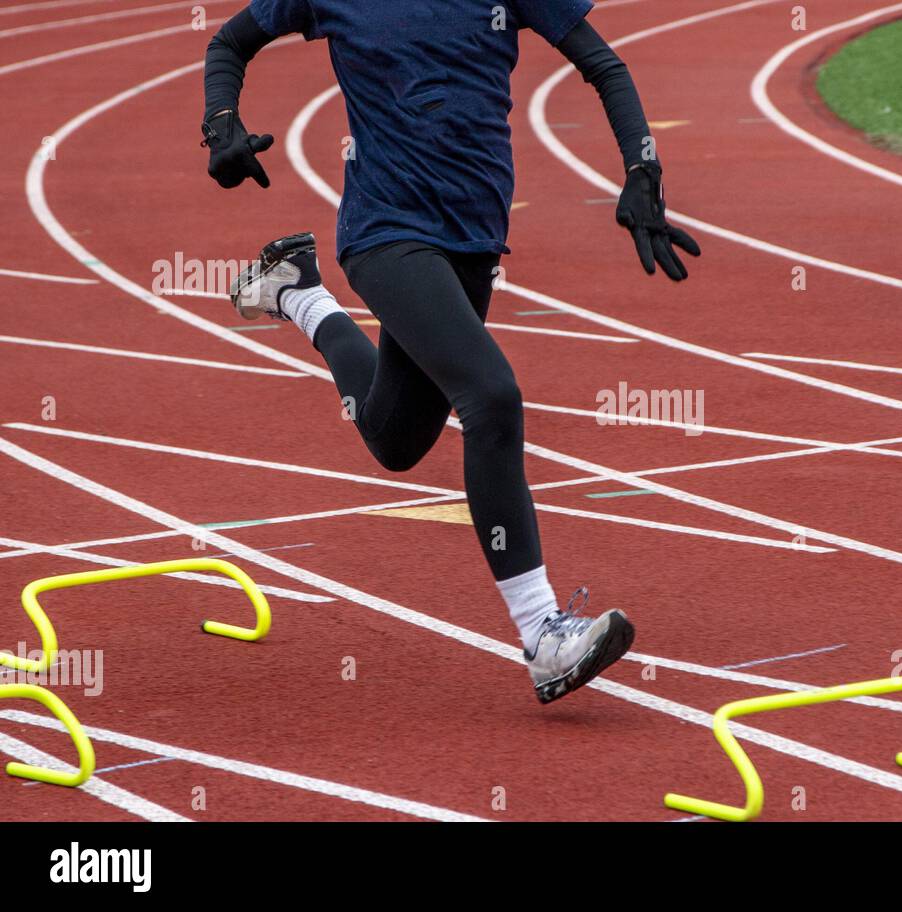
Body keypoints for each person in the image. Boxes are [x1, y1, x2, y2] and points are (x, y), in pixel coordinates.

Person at [201, 0, 700, 703]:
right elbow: (229, 43)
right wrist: (219, 123)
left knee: (397, 439)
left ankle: (296, 292)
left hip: (473, 236)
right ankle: (543, 635)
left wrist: (642, 172)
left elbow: (604, 66)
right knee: (492, 397)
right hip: (386, 232)